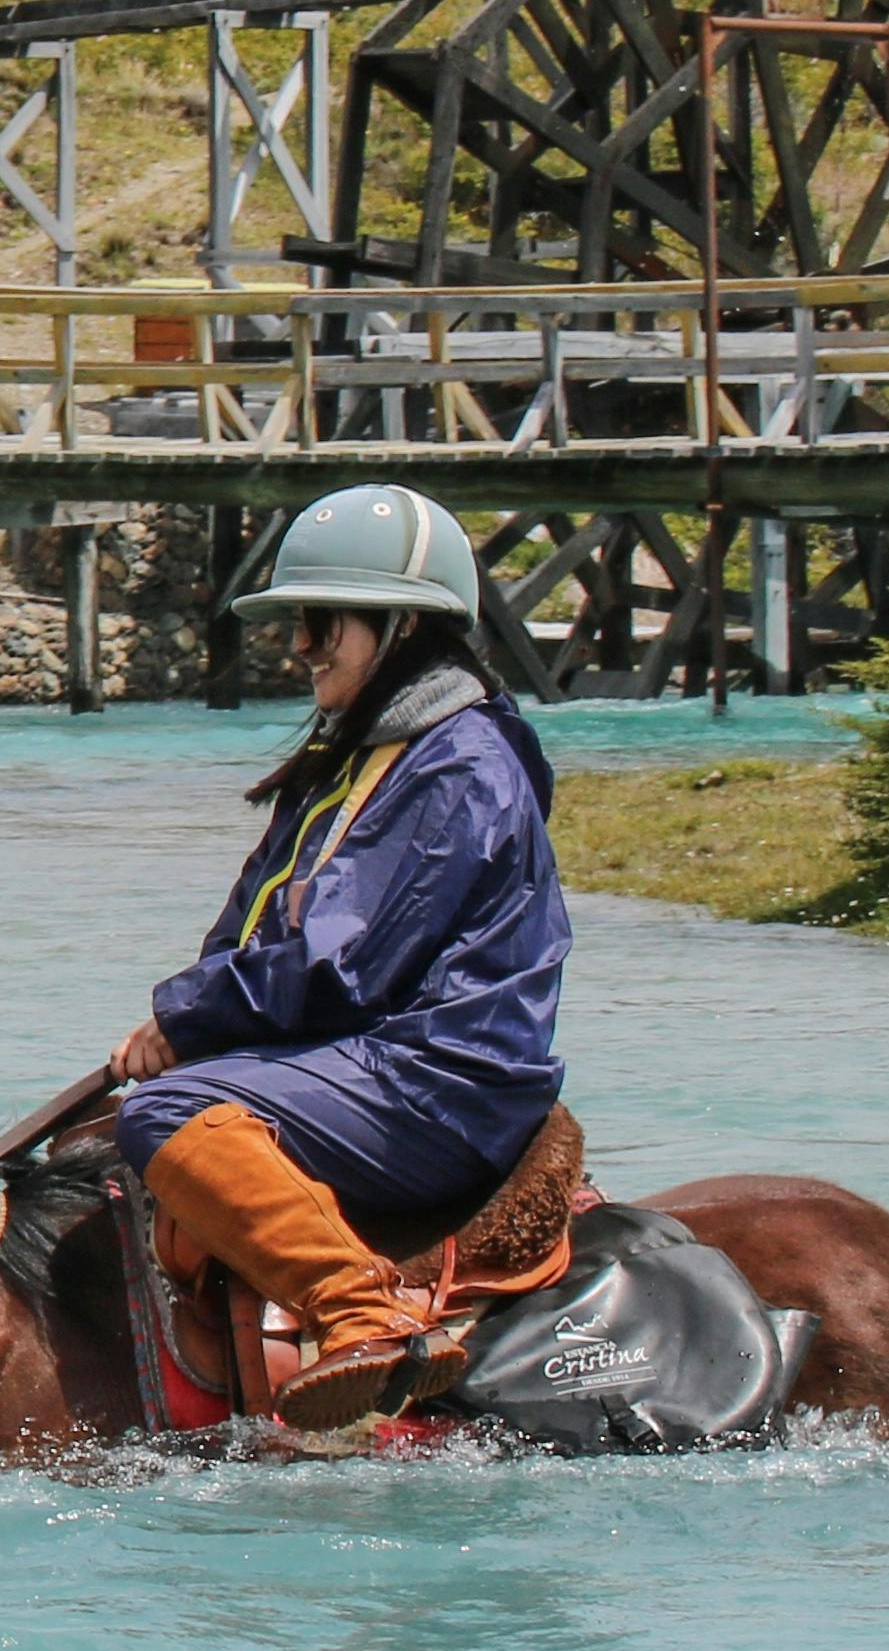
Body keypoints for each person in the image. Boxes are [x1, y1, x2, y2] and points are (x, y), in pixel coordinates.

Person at [107, 481, 567, 1423]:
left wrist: (182, 1025)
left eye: (325, 622)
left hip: (441, 1081)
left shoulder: (459, 763)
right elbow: (250, 930)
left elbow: (335, 961)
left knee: (166, 1114)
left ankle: (360, 1314)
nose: (303, 644)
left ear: (401, 630)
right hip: (367, 1062)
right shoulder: (360, 760)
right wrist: (190, 1015)